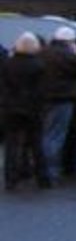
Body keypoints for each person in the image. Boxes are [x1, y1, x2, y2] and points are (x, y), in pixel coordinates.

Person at [40, 26, 76, 182]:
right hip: (63, 100)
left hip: (42, 99)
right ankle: (50, 172)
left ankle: (40, 168)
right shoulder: (69, 56)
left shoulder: (42, 52)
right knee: (56, 136)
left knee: (44, 134)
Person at [3, 31, 46, 190]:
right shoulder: (39, 65)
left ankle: (10, 178)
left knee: (11, 144)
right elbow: (41, 90)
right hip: (32, 109)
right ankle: (42, 178)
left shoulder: (8, 64)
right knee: (36, 144)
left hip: (11, 108)